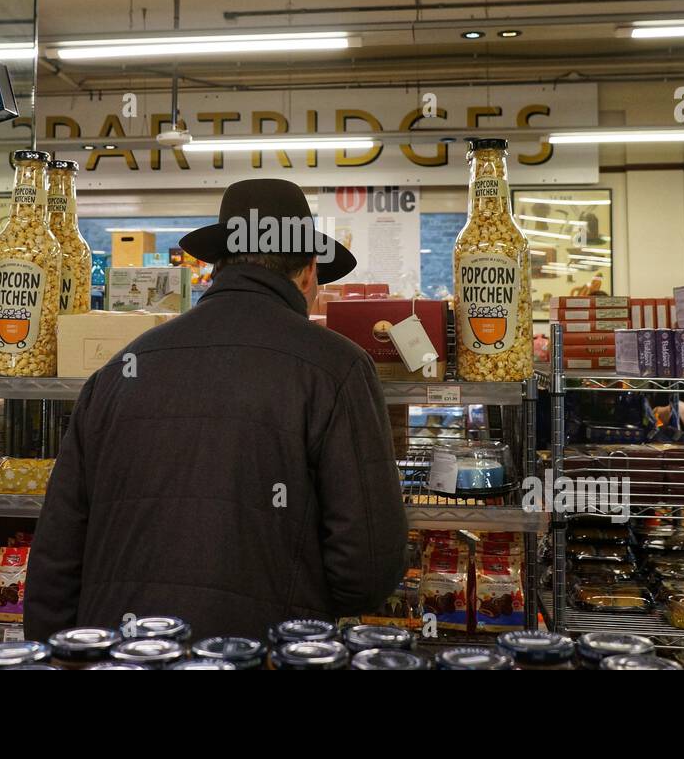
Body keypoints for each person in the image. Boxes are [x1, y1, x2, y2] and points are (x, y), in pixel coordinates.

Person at [25, 178, 410, 640]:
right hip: (260, 649)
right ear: (309, 272)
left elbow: (55, 558)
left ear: (219, 265)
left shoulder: (121, 368)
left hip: (122, 652)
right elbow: (367, 567)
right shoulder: (337, 368)